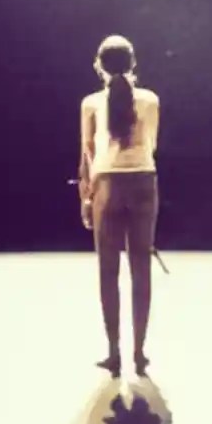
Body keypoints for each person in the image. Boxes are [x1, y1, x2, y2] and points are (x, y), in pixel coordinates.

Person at [77, 36, 161, 377]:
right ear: (133, 63)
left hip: (107, 185)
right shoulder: (150, 100)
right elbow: (152, 145)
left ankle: (114, 352)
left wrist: (85, 198)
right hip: (142, 181)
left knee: (108, 270)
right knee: (141, 268)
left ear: (99, 65)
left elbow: (87, 154)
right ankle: (139, 352)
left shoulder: (90, 103)